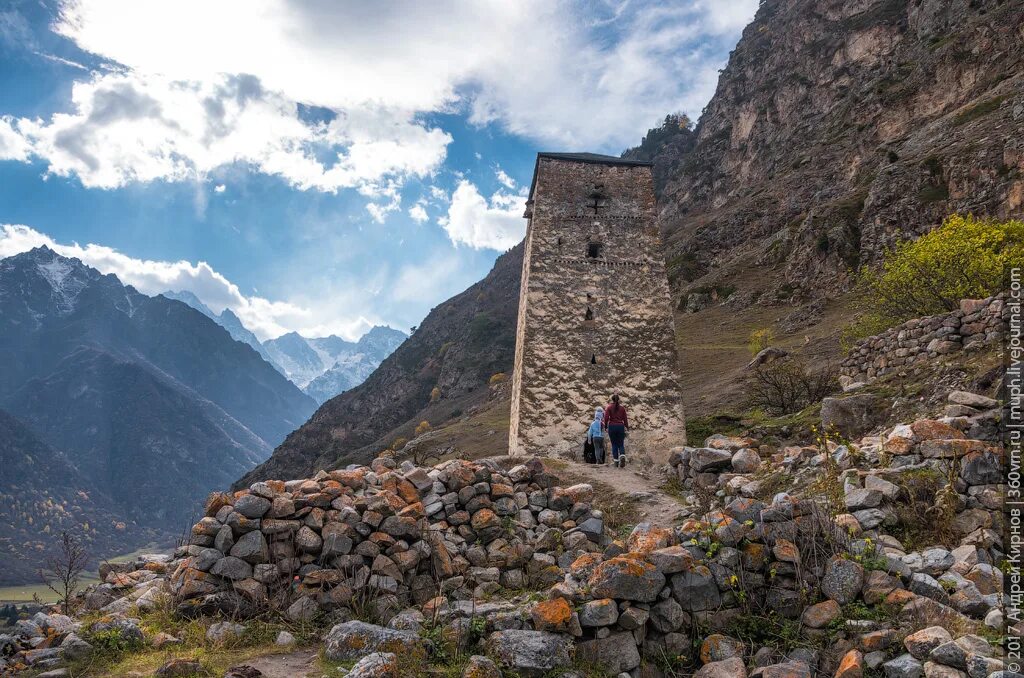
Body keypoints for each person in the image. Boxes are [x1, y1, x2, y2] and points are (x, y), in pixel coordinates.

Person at [603, 394, 628, 467]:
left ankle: (616, 462)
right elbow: (625, 419)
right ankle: (622, 456)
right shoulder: (622, 408)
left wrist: (606, 427)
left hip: (612, 426)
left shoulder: (609, 407)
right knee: (621, 443)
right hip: (620, 426)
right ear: (619, 400)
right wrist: (626, 427)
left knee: (614, 444)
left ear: (612, 400)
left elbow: (606, 417)